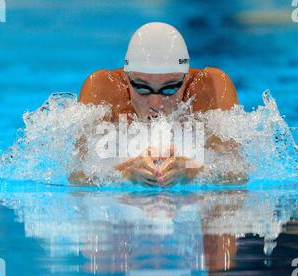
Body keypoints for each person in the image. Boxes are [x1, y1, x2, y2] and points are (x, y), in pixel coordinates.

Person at [71, 22, 246, 187]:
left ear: (186, 79)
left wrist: (192, 171)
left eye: (170, 89)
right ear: (126, 77)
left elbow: (236, 176)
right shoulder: (103, 90)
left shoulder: (210, 88)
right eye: (141, 88)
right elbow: (77, 177)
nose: (156, 104)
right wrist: (124, 172)